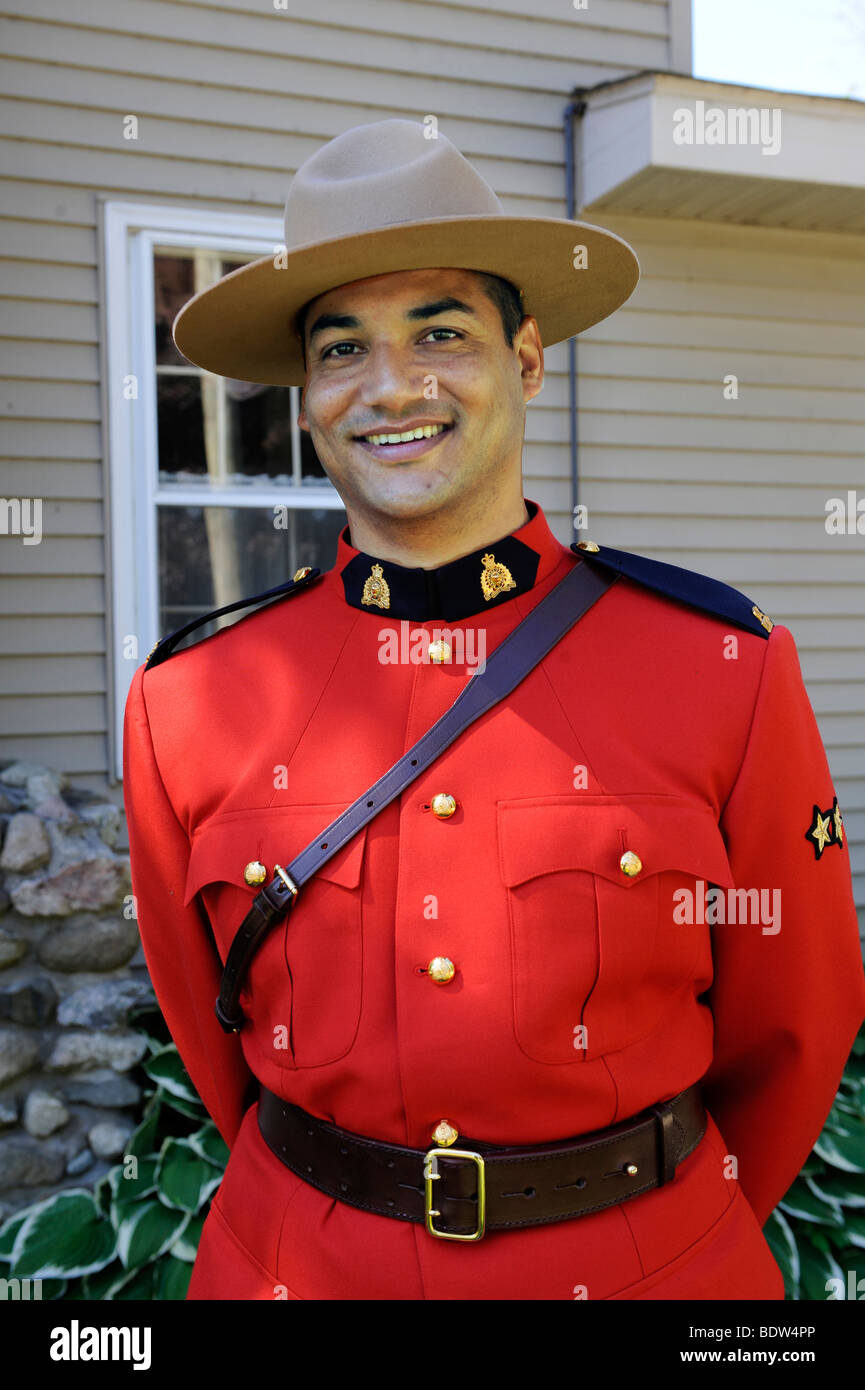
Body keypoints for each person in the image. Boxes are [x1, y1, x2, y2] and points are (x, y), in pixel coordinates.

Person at [122, 120, 865, 1301]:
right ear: (307, 398)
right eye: (342, 346)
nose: (392, 384)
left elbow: (796, 1030)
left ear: (525, 358)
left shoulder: (723, 667)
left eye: (441, 331)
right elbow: (215, 1046)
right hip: (296, 1269)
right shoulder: (188, 700)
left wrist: (647, 1227)